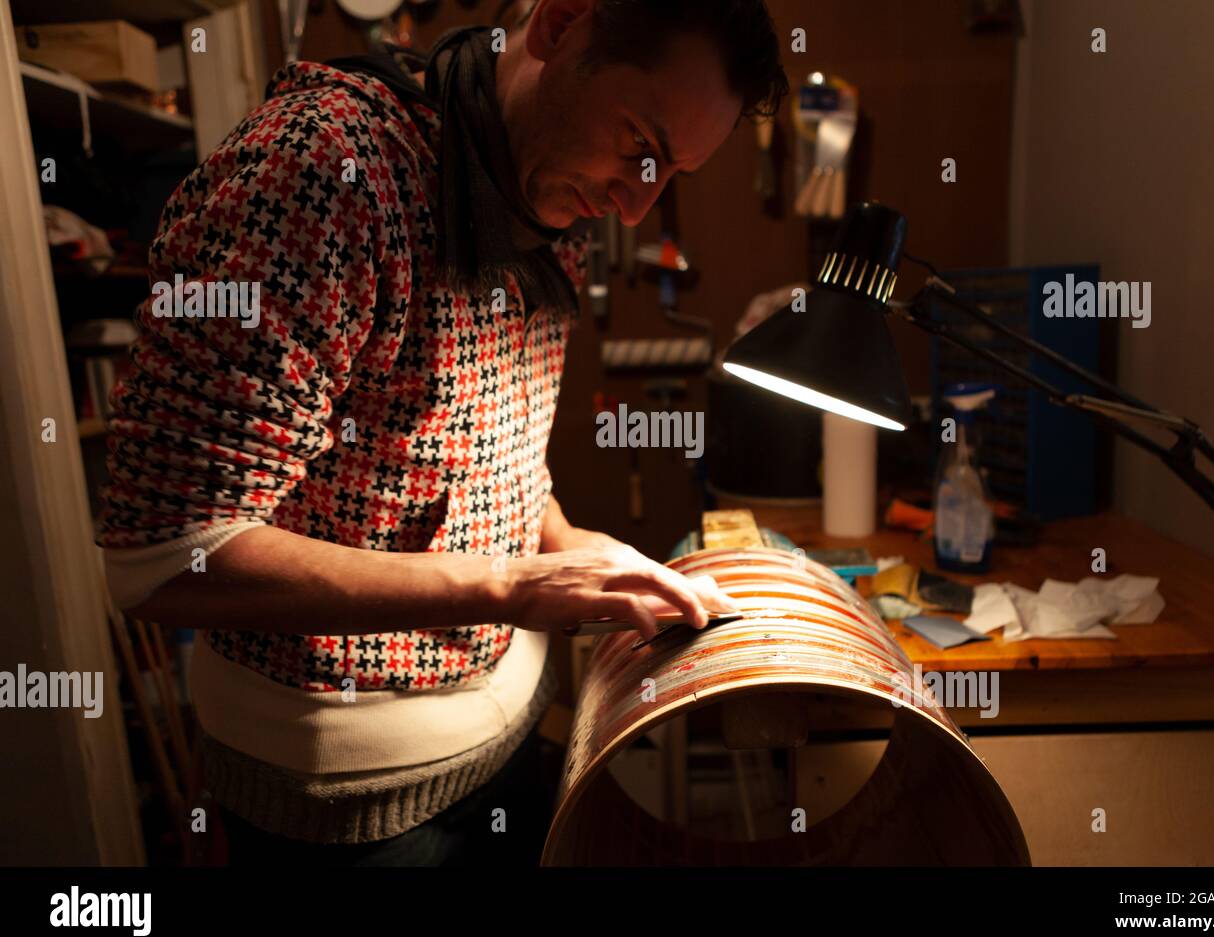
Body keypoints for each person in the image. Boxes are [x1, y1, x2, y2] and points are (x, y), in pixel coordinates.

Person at [95, 0, 788, 864]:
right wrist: (510, 585)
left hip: (504, 744)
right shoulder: (321, 173)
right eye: (637, 142)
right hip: (348, 807)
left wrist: (580, 554)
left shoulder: (545, 196)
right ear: (560, 25)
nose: (636, 205)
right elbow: (161, 556)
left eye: (669, 171)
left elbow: (473, 450)